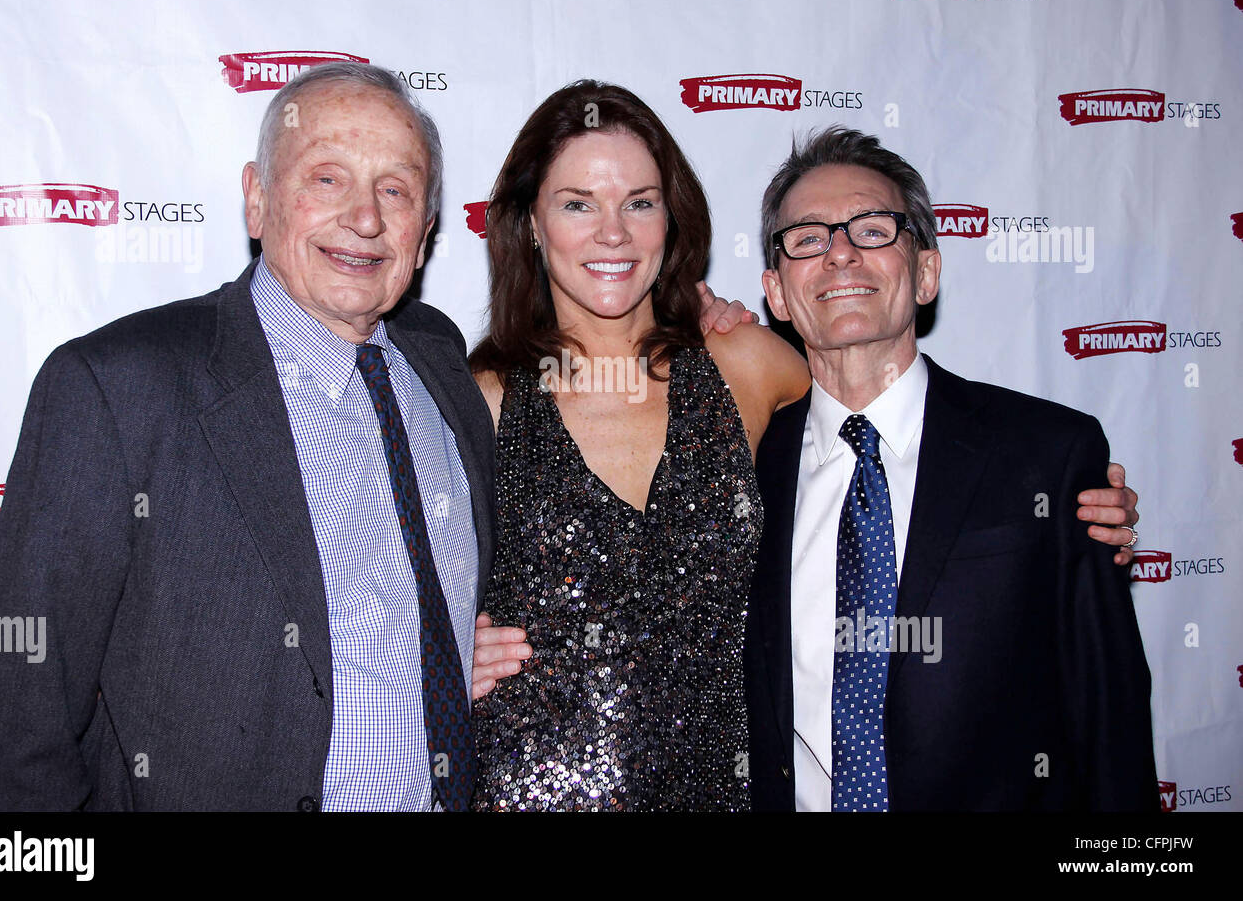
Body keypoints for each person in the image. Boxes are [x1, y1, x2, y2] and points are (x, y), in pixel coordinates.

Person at [464, 86, 1141, 811]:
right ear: (530, 224)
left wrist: (1083, 512)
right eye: (577, 203)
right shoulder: (477, 403)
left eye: (639, 202)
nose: (613, 233)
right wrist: (442, 650)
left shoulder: (747, 371)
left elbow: (1109, 713)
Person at [0, 62, 495, 811]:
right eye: (327, 178)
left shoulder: (438, 362)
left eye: (396, 190)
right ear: (257, 198)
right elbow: (13, 721)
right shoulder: (119, 386)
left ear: (426, 232)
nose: (366, 218)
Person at [744, 127, 1157, 811]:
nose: (840, 251)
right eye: (808, 239)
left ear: (927, 272)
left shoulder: (1048, 456)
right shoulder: (745, 467)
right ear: (778, 293)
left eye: (873, 230)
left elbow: (1107, 716)